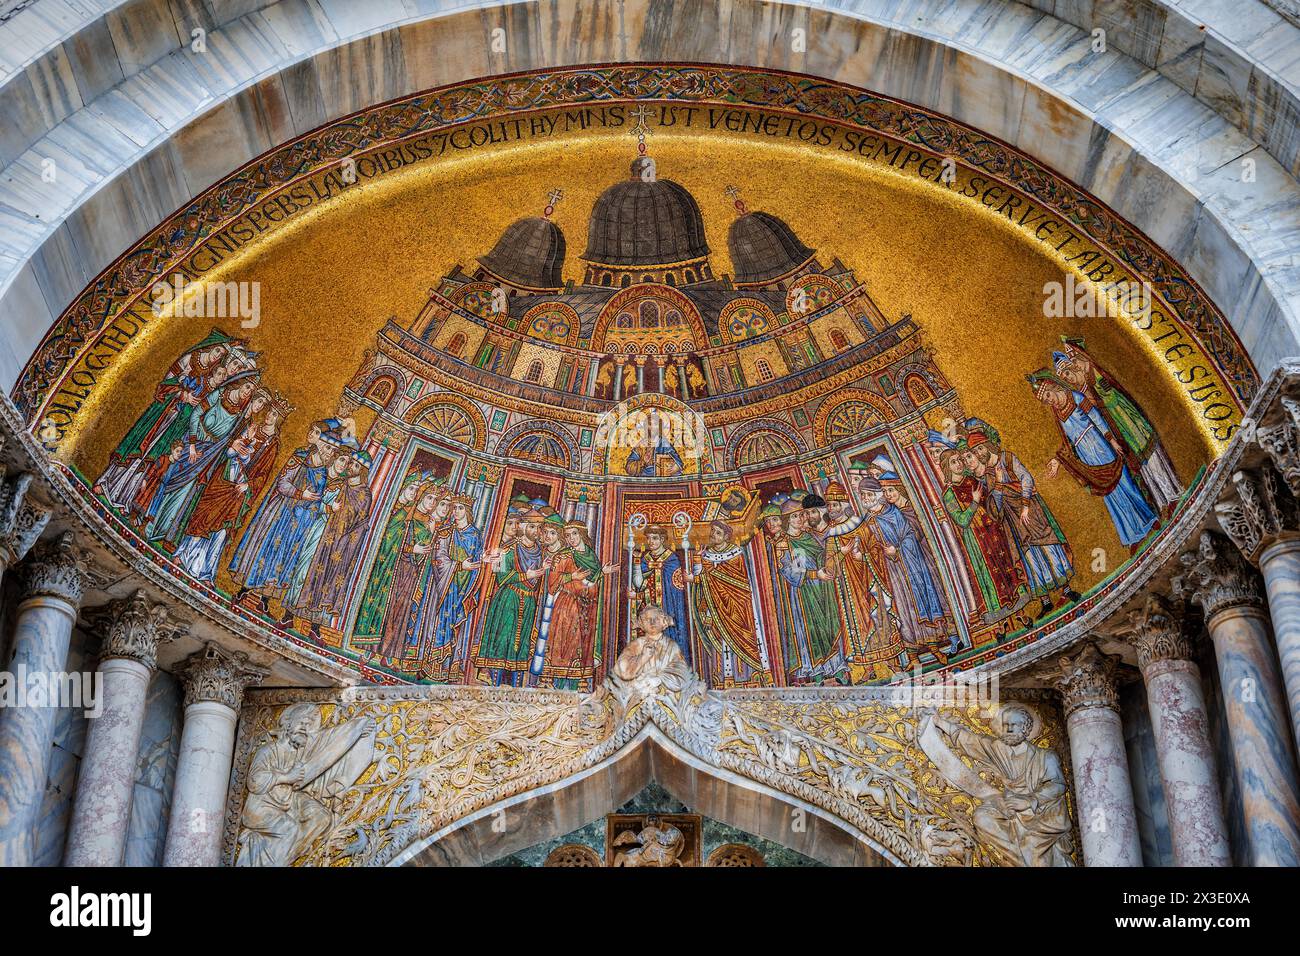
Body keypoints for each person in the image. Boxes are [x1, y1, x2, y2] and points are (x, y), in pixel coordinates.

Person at [1029, 372, 1158, 552]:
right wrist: (1057, 460)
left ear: (1053, 387)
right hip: (1086, 454)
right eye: (1044, 400)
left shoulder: (1076, 397)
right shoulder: (1057, 415)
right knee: (1109, 495)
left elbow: (1097, 418)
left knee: (1123, 481)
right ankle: (1132, 536)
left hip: (1099, 442)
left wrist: (1111, 440)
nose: (1049, 401)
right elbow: (1069, 442)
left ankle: (1149, 519)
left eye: (1048, 396)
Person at [533, 521, 616, 691]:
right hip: (567, 604)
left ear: (582, 535)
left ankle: (582, 682)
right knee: (562, 641)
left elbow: (593, 578)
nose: (571, 538)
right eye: (568, 535)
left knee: (584, 643)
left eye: (574, 534)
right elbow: (552, 584)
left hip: (588, 606)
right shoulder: (562, 556)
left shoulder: (592, 557)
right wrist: (572, 576)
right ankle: (549, 679)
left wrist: (602, 572)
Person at [687, 520, 770, 687]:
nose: (713, 535)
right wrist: (697, 562)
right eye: (712, 531)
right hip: (715, 608)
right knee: (720, 641)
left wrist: (700, 576)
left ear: (726, 536)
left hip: (737, 606)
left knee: (742, 639)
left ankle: (749, 679)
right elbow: (700, 579)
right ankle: (725, 681)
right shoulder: (706, 554)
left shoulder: (735, 553)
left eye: (718, 532)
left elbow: (738, 582)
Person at [474, 508, 546, 685]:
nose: (536, 531)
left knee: (521, 644)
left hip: (529, 601)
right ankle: (496, 682)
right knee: (503, 639)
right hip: (508, 599)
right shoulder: (507, 549)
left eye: (538, 527)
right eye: (531, 526)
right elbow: (500, 575)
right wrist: (525, 576)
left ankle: (516, 685)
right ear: (522, 526)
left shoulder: (541, 551)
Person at [631, 524, 690, 665]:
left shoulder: (672, 559)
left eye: (655, 538)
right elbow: (639, 585)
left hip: (667, 607)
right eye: (649, 538)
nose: (651, 542)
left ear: (662, 539)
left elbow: (676, 589)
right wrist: (637, 566)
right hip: (649, 607)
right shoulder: (645, 559)